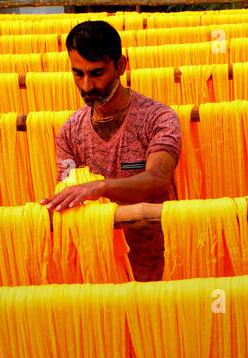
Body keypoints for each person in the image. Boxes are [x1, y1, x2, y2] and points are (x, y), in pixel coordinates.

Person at [40, 20, 181, 282]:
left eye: (96, 73)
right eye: (78, 74)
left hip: (159, 264)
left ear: (120, 66)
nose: (86, 86)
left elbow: (158, 180)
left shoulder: (158, 119)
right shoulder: (70, 133)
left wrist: (100, 187)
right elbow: (70, 195)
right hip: (99, 270)